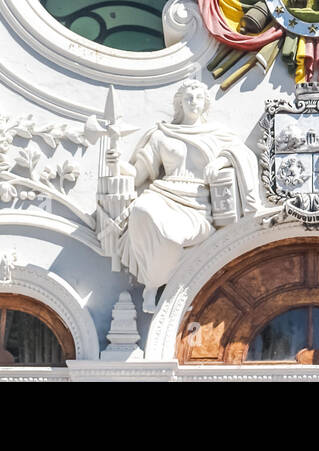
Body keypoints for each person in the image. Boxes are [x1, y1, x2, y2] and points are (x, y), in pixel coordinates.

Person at [104, 79, 260, 313]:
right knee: (142, 209)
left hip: (197, 204)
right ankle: (152, 282)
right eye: (187, 98)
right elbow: (138, 175)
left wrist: (221, 160)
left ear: (205, 103)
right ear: (179, 103)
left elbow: (243, 153)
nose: (193, 102)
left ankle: (156, 283)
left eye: (197, 97)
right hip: (163, 193)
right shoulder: (162, 135)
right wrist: (116, 164)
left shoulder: (217, 134)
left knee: (171, 236)